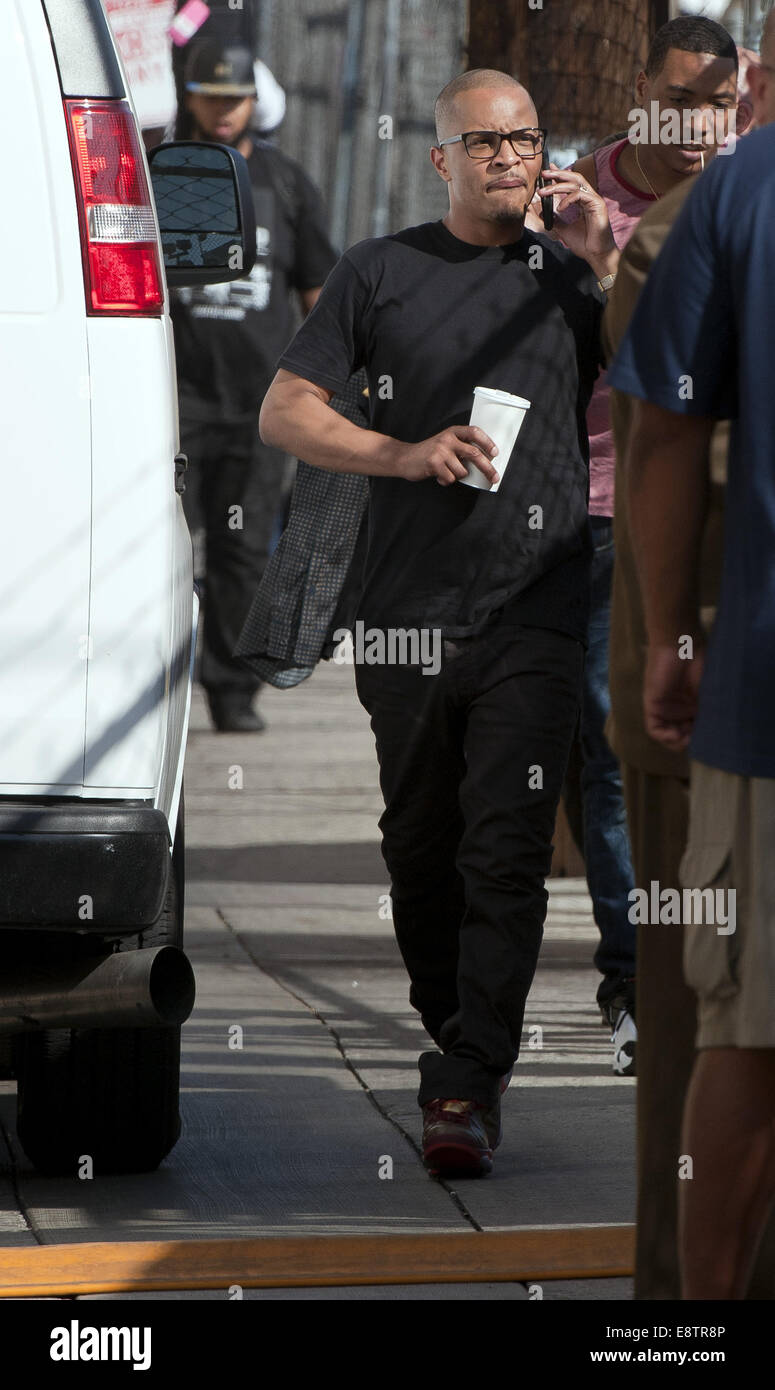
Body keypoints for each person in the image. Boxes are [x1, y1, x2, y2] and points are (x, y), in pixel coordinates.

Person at [258, 67, 621, 1177]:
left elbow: (669, 384)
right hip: (405, 616)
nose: (507, 158)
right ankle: (455, 1026)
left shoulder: (573, 279)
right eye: (484, 143)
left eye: (523, 140)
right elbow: (286, 410)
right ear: (441, 159)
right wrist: (402, 453)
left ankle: (467, 1081)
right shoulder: (381, 273)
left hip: (538, 608)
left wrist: (606, 261)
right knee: (419, 852)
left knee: (504, 852)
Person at [527, 15, 741, 1076]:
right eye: (685, 97)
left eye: (724, 97)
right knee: (621, 763)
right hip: (604, 515)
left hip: (736, 520)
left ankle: (717, 976)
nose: (705, 120)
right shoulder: (569, 204)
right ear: (641, 96)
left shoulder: (745, 198)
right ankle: (640, 981)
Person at [604, 8, 775, 1302]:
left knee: (737, 1032)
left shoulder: (726, 206)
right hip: (719, 697)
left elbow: (658, 443)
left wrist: (670, 646)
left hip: (738, 690)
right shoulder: (691, 219)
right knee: (704, 1024)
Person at [170, 39, 338, 732]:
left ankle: (230, 691)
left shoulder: (287, 184)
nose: (221, 111)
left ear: (251, 103)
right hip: (171, 404)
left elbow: (317, 293)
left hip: (260, 408)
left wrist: (331, 388)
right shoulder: (161, 180)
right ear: (190, 98)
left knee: (242, 554)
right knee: (163, 548)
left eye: (233, 98)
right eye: (209, 96)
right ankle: (151, 686)